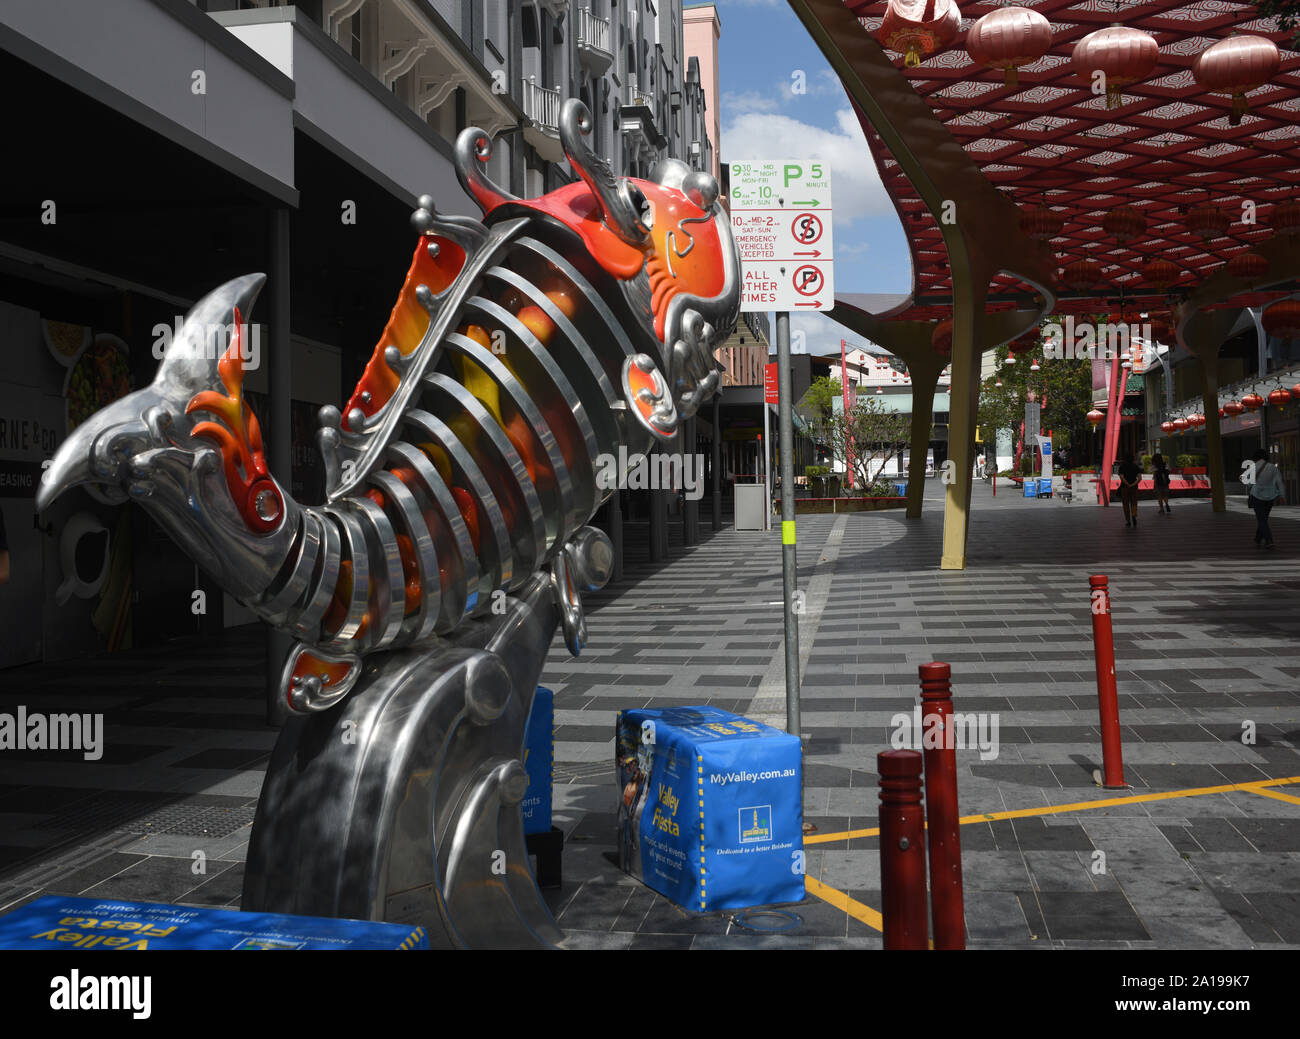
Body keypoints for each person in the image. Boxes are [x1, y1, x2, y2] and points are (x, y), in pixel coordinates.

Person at [1248, 447, 1285, 549]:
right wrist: (1282, 495)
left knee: (1261, 519)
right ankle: (1258, 538)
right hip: (1270, 497)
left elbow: (1249, 483)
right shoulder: (1273, 467)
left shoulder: (1253, 467)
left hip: (1257, 496)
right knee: (1264, 518)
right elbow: (1279, 482)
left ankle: (1269, 540)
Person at [1117, 451, 1141, 528]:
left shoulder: (1122, 466)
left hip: (1124, 487)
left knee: (1125, 504)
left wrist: (1127, 484)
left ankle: (1128, 520)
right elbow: (1140, 478)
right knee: (1134, 503)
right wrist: (1133, 484)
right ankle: (1134, 515)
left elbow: (1121, 477)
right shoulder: (1136, 466)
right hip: (1134, 488)